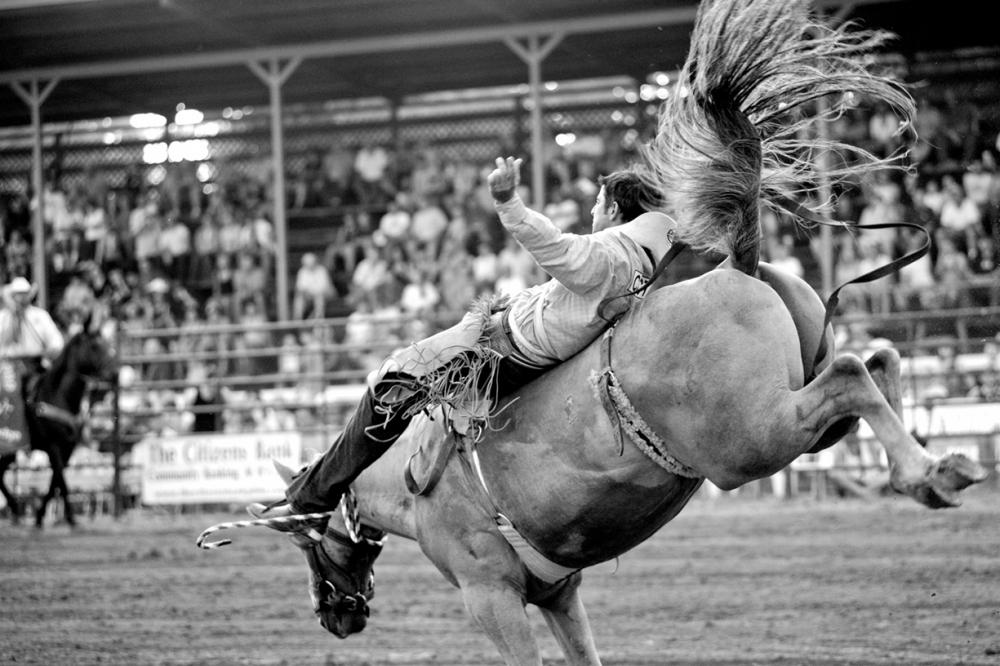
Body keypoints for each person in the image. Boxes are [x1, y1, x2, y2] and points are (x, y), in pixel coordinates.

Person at [249, 155, 675, 536]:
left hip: (495, 351)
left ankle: (310, 501)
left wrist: (508, 201)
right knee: (399, 399)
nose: (591, 210)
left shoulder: (607, 256)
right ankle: (316, 487)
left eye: (598, 203)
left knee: (388, 391)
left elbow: (557, 249)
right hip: (502, 342)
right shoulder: (643, 257)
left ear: (615, 208)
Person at [0, 277, 66, 383]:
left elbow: (57, 342)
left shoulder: (40, 315)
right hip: (7, 368)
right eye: (17, 294)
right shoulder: (3, 317)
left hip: (34, 367)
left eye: (24, 294)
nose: (20, 298)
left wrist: (48, 354)